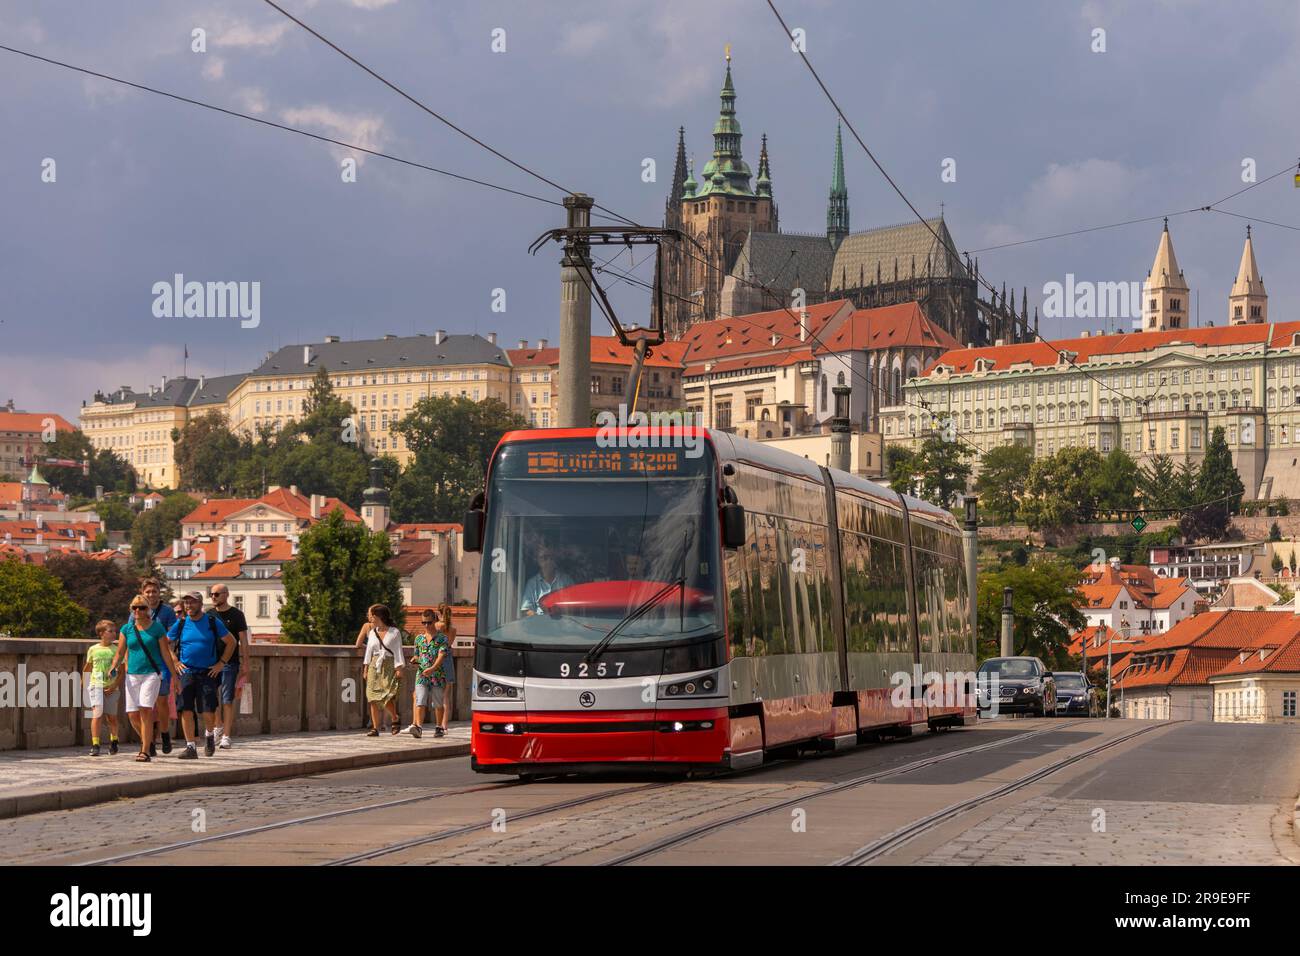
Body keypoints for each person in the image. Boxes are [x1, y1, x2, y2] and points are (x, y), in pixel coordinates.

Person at [167, 591, 236, 759]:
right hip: (187, 671)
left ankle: (209, 735)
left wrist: (221, 663)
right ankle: (190, 747)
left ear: (200, 604)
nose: (189, 606)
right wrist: (175, 661)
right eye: (186, 603)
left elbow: (231, 642)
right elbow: (166, 642)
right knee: (186, 709)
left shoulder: (212, 621)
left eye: (192, 602)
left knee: (208, 710)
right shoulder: (182, 623)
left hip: (207, 672)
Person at [114, 597, 181, 762]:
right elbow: (120, 652)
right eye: (135, 608)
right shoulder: (126, 629)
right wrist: (114, 666)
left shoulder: (157, 628)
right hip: (132, 675)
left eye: (142, 608)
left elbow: (166, 653)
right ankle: (148, 740)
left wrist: (174, 677)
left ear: (148, 610)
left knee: (145, 709)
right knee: (132, 714)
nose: (138, 611)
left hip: (152, 673)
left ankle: (144, 751)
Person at [138, 578, 179, 755]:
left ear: (159, 593)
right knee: (145, 706)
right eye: (148, 591)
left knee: (161, 701)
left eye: (154, 591)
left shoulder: (167, 612)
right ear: (142, 593)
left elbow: (171, 636)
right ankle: (149, 741)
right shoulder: (137, 610)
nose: (151, 594)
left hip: (161, 662)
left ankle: (164, 733)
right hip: (143, 662)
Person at [208, 585, 250, 750]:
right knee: (210, 697)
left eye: (217, 594)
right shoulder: (209, 615)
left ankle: (226, 736)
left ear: (226, 595)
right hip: (211, 662)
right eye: (211, 594)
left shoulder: (236, 615)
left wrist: (246, 663)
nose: (213, 597)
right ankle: (218, 725)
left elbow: (243, 641)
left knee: (227, 698)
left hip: (230, 663)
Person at [360, 604, 404, 736]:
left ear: (379, 616)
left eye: (372, 615)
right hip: (374, 665)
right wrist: (366, 668)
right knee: (372, 697)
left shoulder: (394, 632)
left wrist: (399, 667)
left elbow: (398, 650)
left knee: (387, 695)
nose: (370, 618)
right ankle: (375, 727)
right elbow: (369, 651)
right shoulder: (372, 632)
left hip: (389, 664)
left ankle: (395, 718)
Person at [83, 620, 122, 756]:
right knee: (97, 714)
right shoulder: (93, 649)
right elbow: (87, 668)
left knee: (111, 717)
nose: (113, 634)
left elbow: (121, 671)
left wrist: (114, 686)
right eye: (110, 631)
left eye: (114, 631)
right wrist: (84, 684)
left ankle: (114, 740)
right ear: (101, 633)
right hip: (96, 684)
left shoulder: (116, 650)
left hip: (111, 686)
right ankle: (95, 744)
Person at [403, 610, 438, 739]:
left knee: (438, 704)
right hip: (421, 674)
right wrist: (414, 659)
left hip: (437, 674)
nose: (426, 625)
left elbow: (442, 655)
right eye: (424, 623)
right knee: (420, 700)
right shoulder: (419, 638)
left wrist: (433, 668)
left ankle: (440, 727)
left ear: (434, 620)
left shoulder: (441, 638)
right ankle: (418, 727)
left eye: (429, 622)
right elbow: (416, 654)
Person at [520, 541, 574, 615]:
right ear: (538, 560)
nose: (548, 561)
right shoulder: (532, 583)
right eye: (545, 558)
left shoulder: (566, 580)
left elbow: (574, 608)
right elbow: (526, 610)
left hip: (563, 624)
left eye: (551, 557)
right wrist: (539, 620)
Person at [437, 602, 457, 725]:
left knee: (435, 691)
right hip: (448, 658)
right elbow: (449, 645)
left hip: (437, 657)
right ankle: (444, 725)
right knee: (446, 695)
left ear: (439, 613)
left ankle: (438, 723)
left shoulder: (437, 626)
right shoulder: (453, 629)